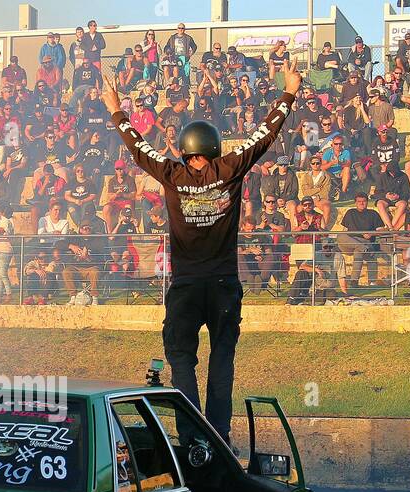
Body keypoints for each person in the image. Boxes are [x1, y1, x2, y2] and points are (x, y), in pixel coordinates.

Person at [101, 58, 302, 443]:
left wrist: (115, 108)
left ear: (183, 150)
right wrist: (288, 92)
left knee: (180, 358)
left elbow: (138, 146)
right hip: (225, 283)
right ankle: (220, 434)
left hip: (187, 285)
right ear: (213, 148)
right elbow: (264, 134)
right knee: (222, 359)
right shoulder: (230, 168)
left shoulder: (171, 174)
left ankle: (193, 436)